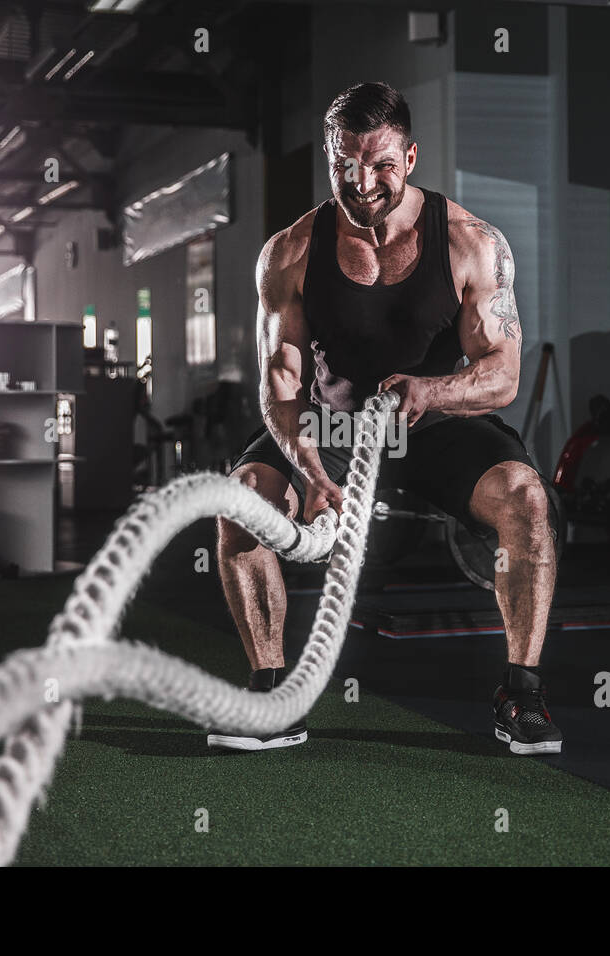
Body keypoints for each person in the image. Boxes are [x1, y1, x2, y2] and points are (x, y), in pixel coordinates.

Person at [211, 81, 561, 756]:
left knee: (526, 498)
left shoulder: (471, 243)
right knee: (240, 504)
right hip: (333, 427)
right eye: (345, 163)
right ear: (329, 155)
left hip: (435, 423)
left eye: (379, 165)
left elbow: (503, 373)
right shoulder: (288, 252)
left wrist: (431, 392)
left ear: (410, 157)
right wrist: (310, 468)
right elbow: (281, 384)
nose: (361, 181)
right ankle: (272, 693)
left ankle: (521, 691)